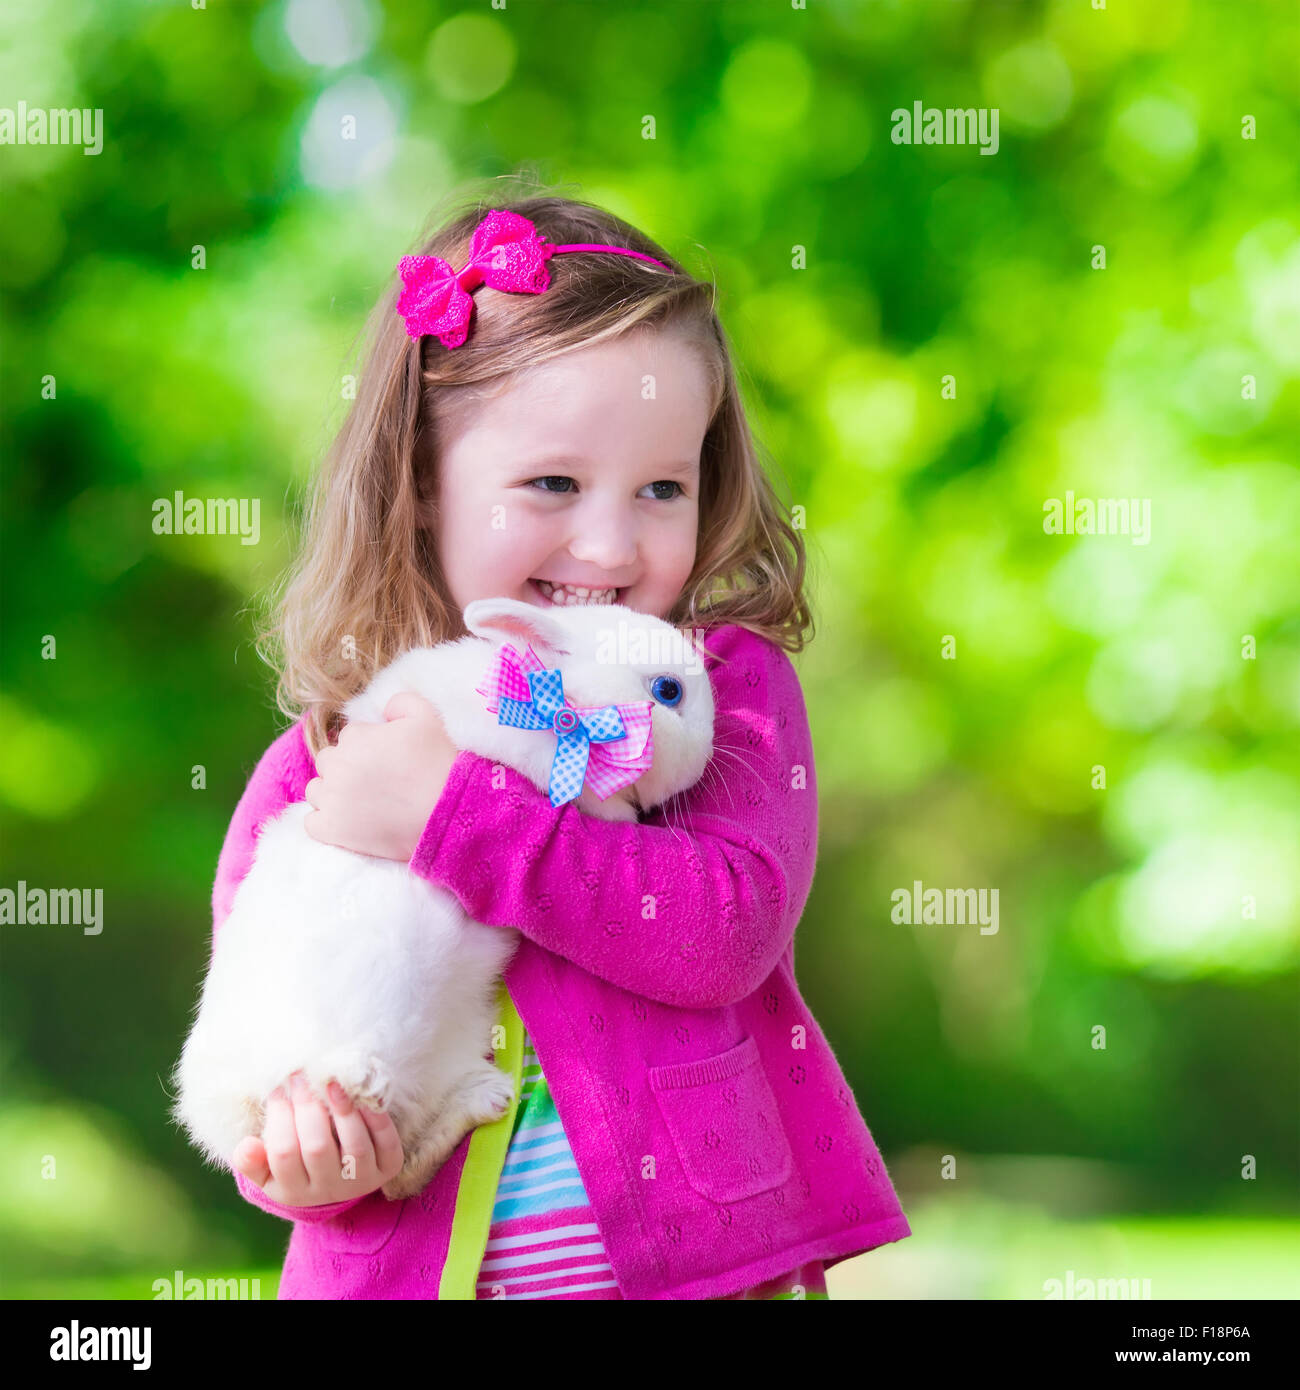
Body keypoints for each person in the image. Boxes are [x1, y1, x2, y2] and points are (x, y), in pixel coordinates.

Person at [211, 184, 911, 1299]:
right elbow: (270, 1031)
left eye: (662, 488)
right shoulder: (331, 764)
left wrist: (456, 819)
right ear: (425, 488)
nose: (610, 542)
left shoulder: (710, 697)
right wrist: (304, 1159)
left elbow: (723, 929)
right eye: (550, 482)